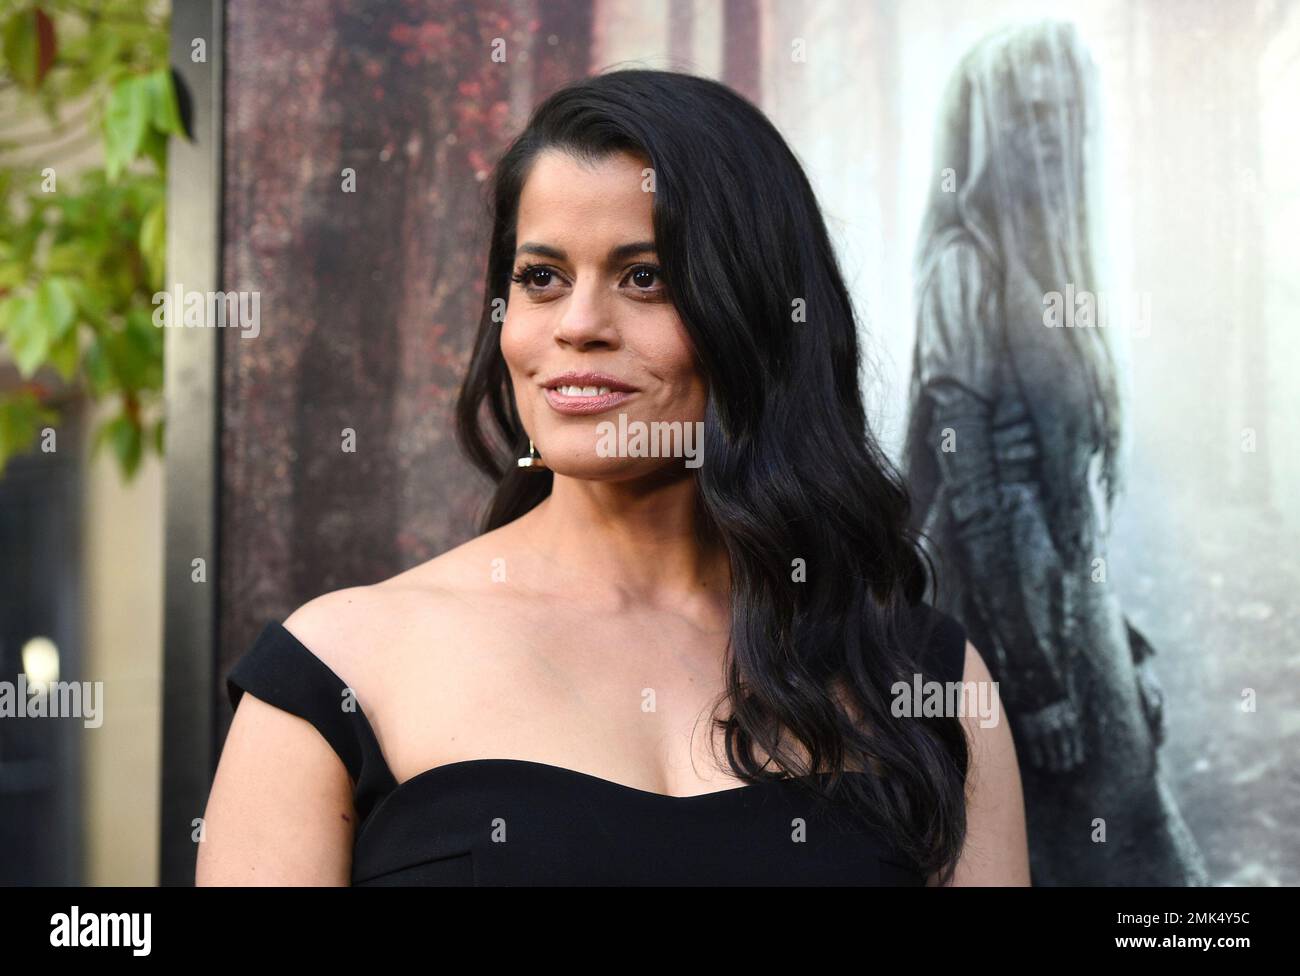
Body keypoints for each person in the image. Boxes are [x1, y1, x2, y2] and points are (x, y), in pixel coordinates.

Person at [198, 68, 1028, 886]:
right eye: (541, 279)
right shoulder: (337, 670)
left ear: (757, 316)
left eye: (645, 277)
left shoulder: (923, 677)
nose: (579, 326)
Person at [902, 21, 1208, 885]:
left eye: (1064, 112)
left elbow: (1072, 505)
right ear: (986, 130)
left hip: (1075, 635)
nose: (1051, 133)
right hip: (1007, 649)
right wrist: (1036, 690)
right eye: (1029, 113)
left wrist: (1126, 646)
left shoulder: (1052, 270)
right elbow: (979, 499)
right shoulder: (966, 268)